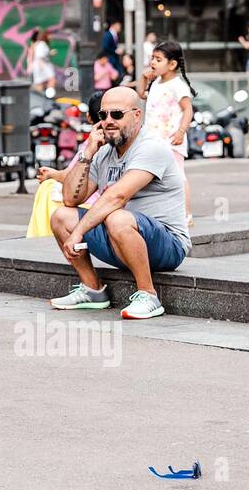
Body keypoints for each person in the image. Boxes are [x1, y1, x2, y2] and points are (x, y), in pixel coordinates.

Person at [49, 86, 191, 320]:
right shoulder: (104, 152)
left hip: (168, 245)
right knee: (61, 216)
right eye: (103, 115)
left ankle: (148, 295)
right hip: (123, 238)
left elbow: (117, 197)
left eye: (116, 114)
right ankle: (93, 290)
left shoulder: (150, 147)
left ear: (137, 115)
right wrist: (87, 152)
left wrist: (78, 233)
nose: (108, 121)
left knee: (116, 216)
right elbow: (71, 198)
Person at [27, 90, 104, 237]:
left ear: (89, 117)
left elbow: (73, 176)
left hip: (93, 204)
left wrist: (52, 174)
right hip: (96, 199)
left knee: (47, 188)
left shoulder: (92, 144)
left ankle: (42, 236)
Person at [137, 39, 197, 224]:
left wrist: (181, 131)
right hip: (153, 139)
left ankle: (186, 214)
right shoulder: (156, 83)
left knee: (178, 176)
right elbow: (141, 94)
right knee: (152, 175)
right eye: (152, 58)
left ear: (172, 64)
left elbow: (188, 109)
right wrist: (143, 78)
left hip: (171, 140)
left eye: (158, 59)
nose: (153, 63)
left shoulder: (178, 86)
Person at [29, 28, 56, 96]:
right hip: (41, 66)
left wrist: (49, 53)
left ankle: (40, 98)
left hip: (39, 66)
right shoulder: (42, 44)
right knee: (51, 80)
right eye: (49, 35)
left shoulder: (40, 44)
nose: (51, 37)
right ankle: (48, 96)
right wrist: (43, 68)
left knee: (40, 84)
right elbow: (39, 57)